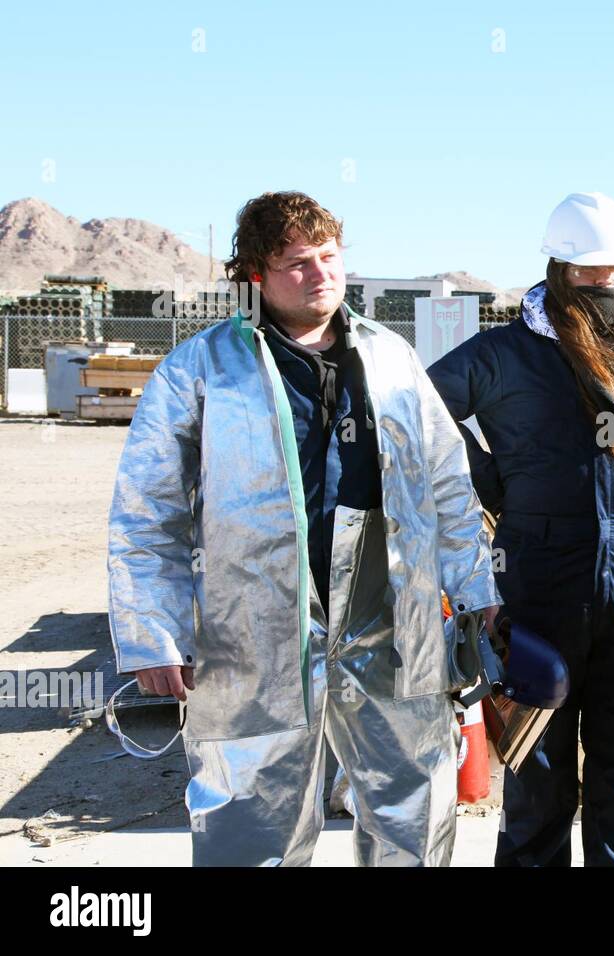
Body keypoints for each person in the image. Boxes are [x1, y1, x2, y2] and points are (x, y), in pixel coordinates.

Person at [107, 191, 500, 866]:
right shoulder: (204, 369)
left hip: (390, 616)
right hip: (254, 625)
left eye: (329, 256)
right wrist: (152, 633)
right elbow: (149, 510)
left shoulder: (390, 359)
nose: (321, 273)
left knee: (414, 802)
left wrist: (475, 591)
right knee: (251, 815)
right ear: (256, 275)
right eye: (298, 262)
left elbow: (447, 485)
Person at [429, 192, 614, 866]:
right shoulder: (502, 356)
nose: (600, 286)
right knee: (538, 783)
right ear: (559, 272)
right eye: (585, 273)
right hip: (536, 591)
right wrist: (491, 481)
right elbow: (420, 416)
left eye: (611, 272)